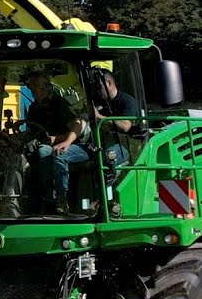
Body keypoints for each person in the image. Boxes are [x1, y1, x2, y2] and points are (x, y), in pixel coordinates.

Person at [24, 71, 90, 214]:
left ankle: (53, 196)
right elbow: (31, 129)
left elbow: (78, 131)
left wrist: (57, 139)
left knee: (43, 151)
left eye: (37, 87)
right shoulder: (34, 108)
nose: (33, 90)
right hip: (42, 142)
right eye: (32, 87)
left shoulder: (59, 105)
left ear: (47, 88)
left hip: (66, 145)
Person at [89, 68, 141, 167]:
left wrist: (99, 117)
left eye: (99, 87)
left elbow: (126, 126)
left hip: (126, 145)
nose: (97, 91)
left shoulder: (128, 101)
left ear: (109, 83)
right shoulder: (99, 102)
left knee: (110, 156)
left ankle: (108, 181)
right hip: (102, 143)